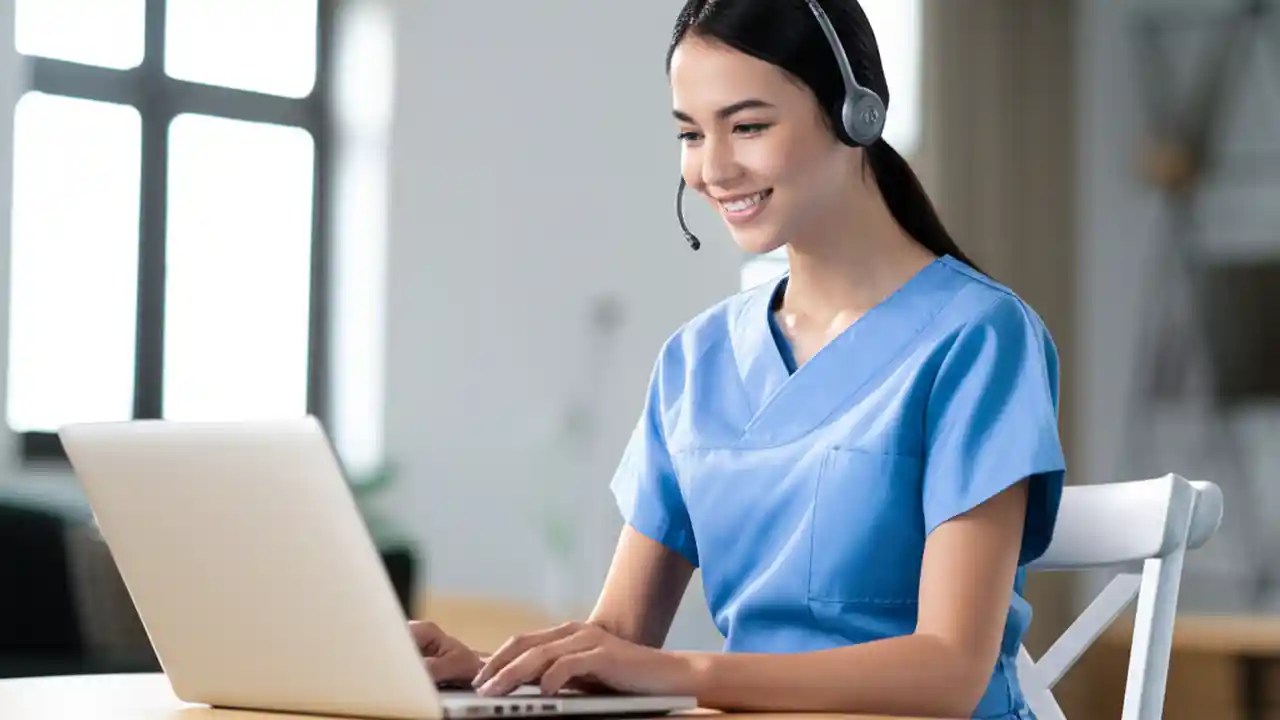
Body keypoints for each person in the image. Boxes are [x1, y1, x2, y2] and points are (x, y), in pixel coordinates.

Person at [411, 1, 1065, 717]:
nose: (713, 167)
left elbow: (948, 672)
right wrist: (488, 672)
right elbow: (621, 637)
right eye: (691, 133)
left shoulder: (979, 337)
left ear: (857, 116)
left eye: (748, 125)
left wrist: (687, 674)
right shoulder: (697, 360)